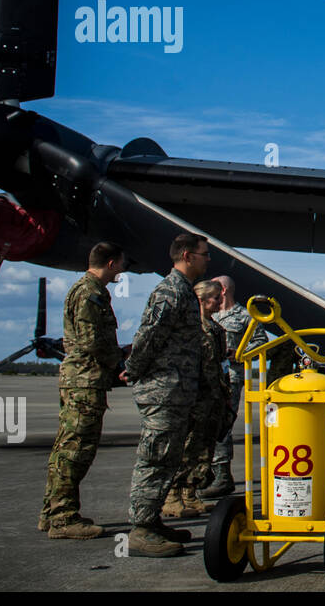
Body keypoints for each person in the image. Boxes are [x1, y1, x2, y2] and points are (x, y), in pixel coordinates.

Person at [124, 232, 210, 557]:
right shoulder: (169, 291)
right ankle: (140, 530)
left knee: (169, 457)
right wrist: (134, 369)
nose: (208, 260)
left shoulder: (185, 292)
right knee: (155, 456)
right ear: (187, 256)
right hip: (163, 391)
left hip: (177, 391)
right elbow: (148, 336)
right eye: (204, 254)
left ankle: (152, 520)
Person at [39, 241, 129, 539]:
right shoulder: (91, 293)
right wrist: (119, 361)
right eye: (121, 264)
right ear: (112, 263)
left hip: (79, 378)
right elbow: (93, 341)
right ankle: (63, 518)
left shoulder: (86, 289)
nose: (123, 270)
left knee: (66, 446)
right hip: (85, 380)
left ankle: (52, 512)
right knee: (77, 449)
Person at [163, 279, 229, 518]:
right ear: (201, 300)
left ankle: (190, 494)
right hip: (194, 397)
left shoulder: (215, 328)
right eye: (215, 298)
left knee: (203, 449)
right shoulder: (191, 328)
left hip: (212, 396)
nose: (220, 302)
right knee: (186, 447)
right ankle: (172, 496)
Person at [202, 275, 268, 498]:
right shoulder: (208, 313)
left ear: (222, 290)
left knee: (222, 424)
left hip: (230, 377)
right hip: (207, 377)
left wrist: (239, 354)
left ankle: (222, 475)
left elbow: (260, 342)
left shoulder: (244, 315)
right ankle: (206, 472)